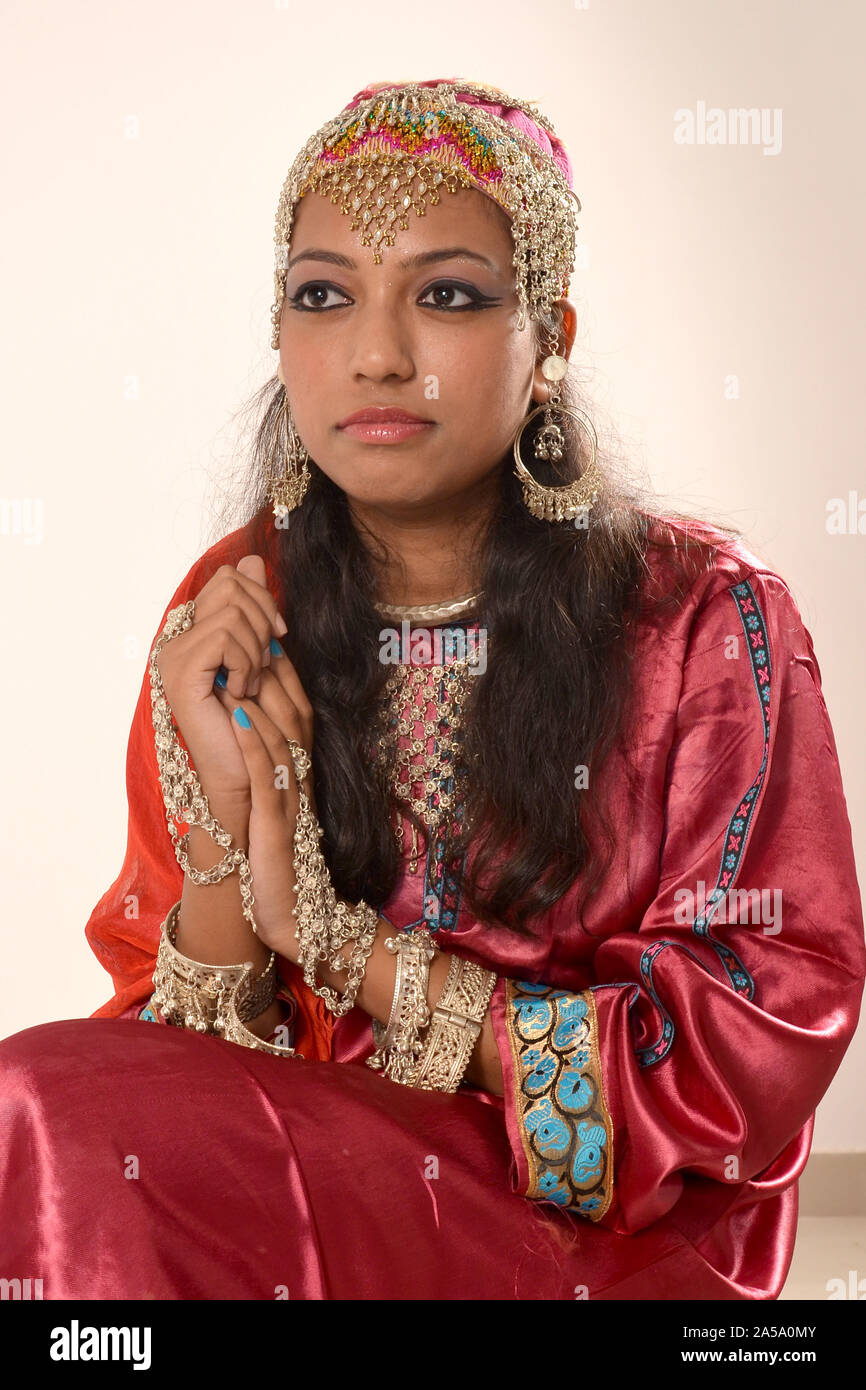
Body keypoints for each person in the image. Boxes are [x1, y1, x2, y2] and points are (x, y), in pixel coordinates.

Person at [1, 76, 863, 1302]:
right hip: (319, 1169)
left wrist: (343, 950)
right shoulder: (239, 602)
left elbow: (742, 1056)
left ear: (548, 341)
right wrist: (220, 833)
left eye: (447, 295)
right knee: (48, 1108)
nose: (375, 353)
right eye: (322, 295)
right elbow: (187, 1082)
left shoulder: (701, 619)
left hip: (613, 1230)